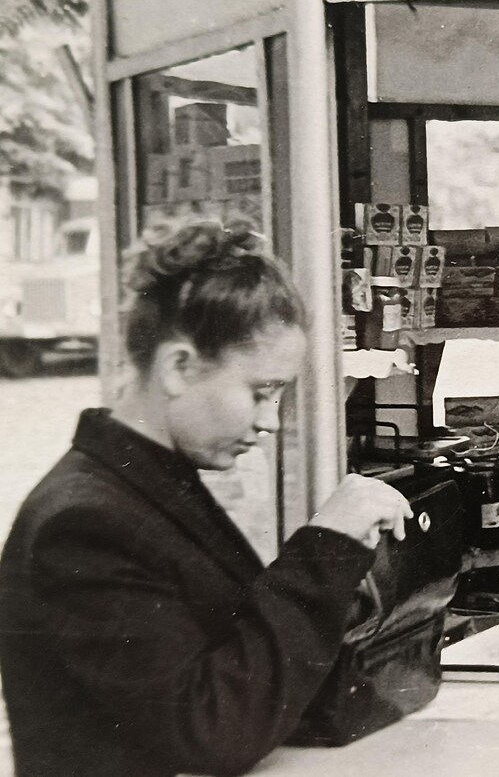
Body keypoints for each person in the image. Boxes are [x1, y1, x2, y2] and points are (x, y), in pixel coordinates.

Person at [0, 223, 414, 777]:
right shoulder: (85, 523)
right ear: (179, 367)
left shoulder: (145, 486)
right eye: (260, 392)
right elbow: (212, 729)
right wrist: (326, 547)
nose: (270, 422)